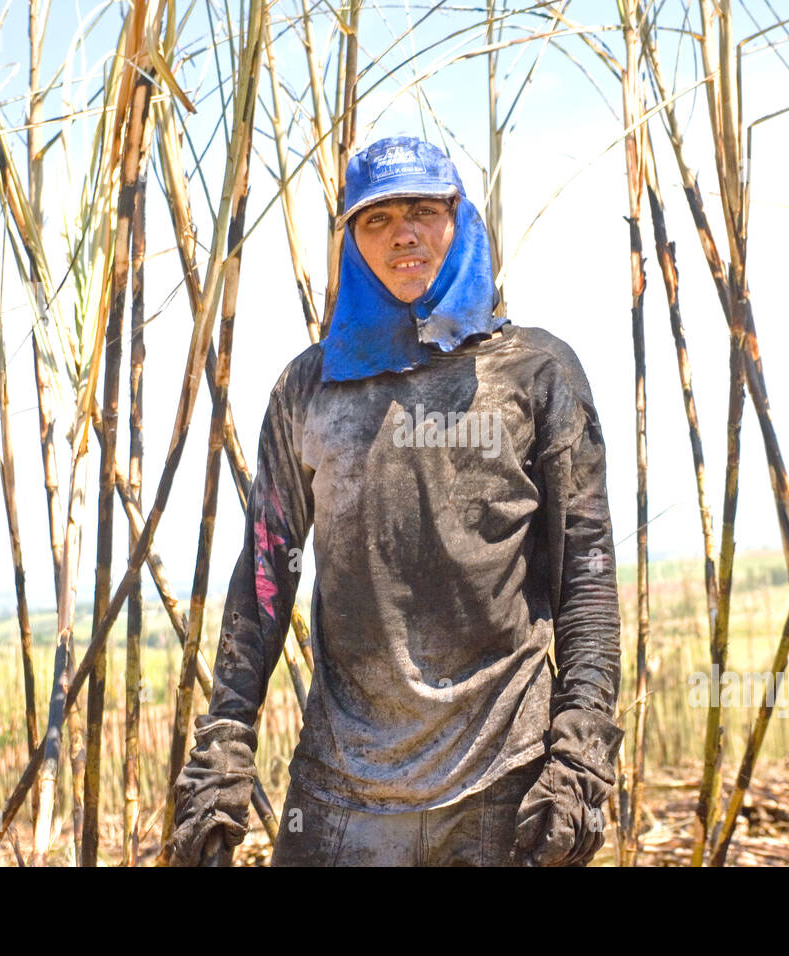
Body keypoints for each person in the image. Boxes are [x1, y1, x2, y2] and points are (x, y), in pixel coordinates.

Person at [168, 135, 623, 867]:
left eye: (422, 211)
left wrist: (581, 756)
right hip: (342, 796)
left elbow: (588, 582)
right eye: (376, 219)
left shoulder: (536, 373)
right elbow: (264, 576)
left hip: (506, 782)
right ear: (351, 240)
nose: (403, 234)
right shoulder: (308, 390)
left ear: (459, 219)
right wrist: (223, 745)